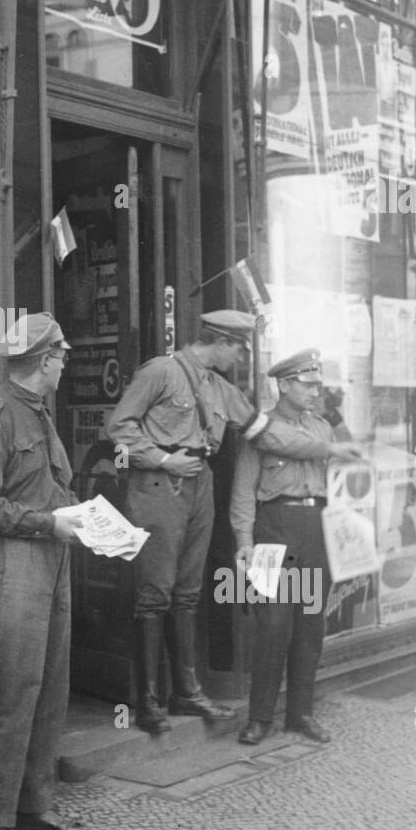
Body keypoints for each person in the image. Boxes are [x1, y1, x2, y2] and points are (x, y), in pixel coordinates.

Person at [105, 311, 365, 737]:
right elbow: (118, 426)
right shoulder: (162, 371)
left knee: (188, 592)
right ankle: (149, 701)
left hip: (200, 486)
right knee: (156, 593)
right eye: (240, 348)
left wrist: (331, 447)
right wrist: (162, 458)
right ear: (222, 341)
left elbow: (269, 435)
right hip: (160, 484)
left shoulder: (221, 389)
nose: (242, 357)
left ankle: (187, 691)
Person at [0, 313, 88, 830]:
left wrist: (89, 520)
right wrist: (48, 524)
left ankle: (36, 802)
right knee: (11, 694)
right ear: (43, 360)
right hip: (13, 565)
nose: (66, 362)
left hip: (53, 560)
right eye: (62, 354)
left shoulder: (39, 415)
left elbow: (52, 487)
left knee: (51, 685)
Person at [231, 349, 364, 745]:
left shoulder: (322, 427)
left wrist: (338, 417)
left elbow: (350, 459)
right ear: (284, 385)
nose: (314, 391)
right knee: (273, 625)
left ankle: (300, 714)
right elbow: (242, 492)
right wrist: (244, 541)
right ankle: (260, 719)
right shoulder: (262, 430)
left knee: (310, 624)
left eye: (317, 384)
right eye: (307, 384)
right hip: (275, 530)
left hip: (315, 528)